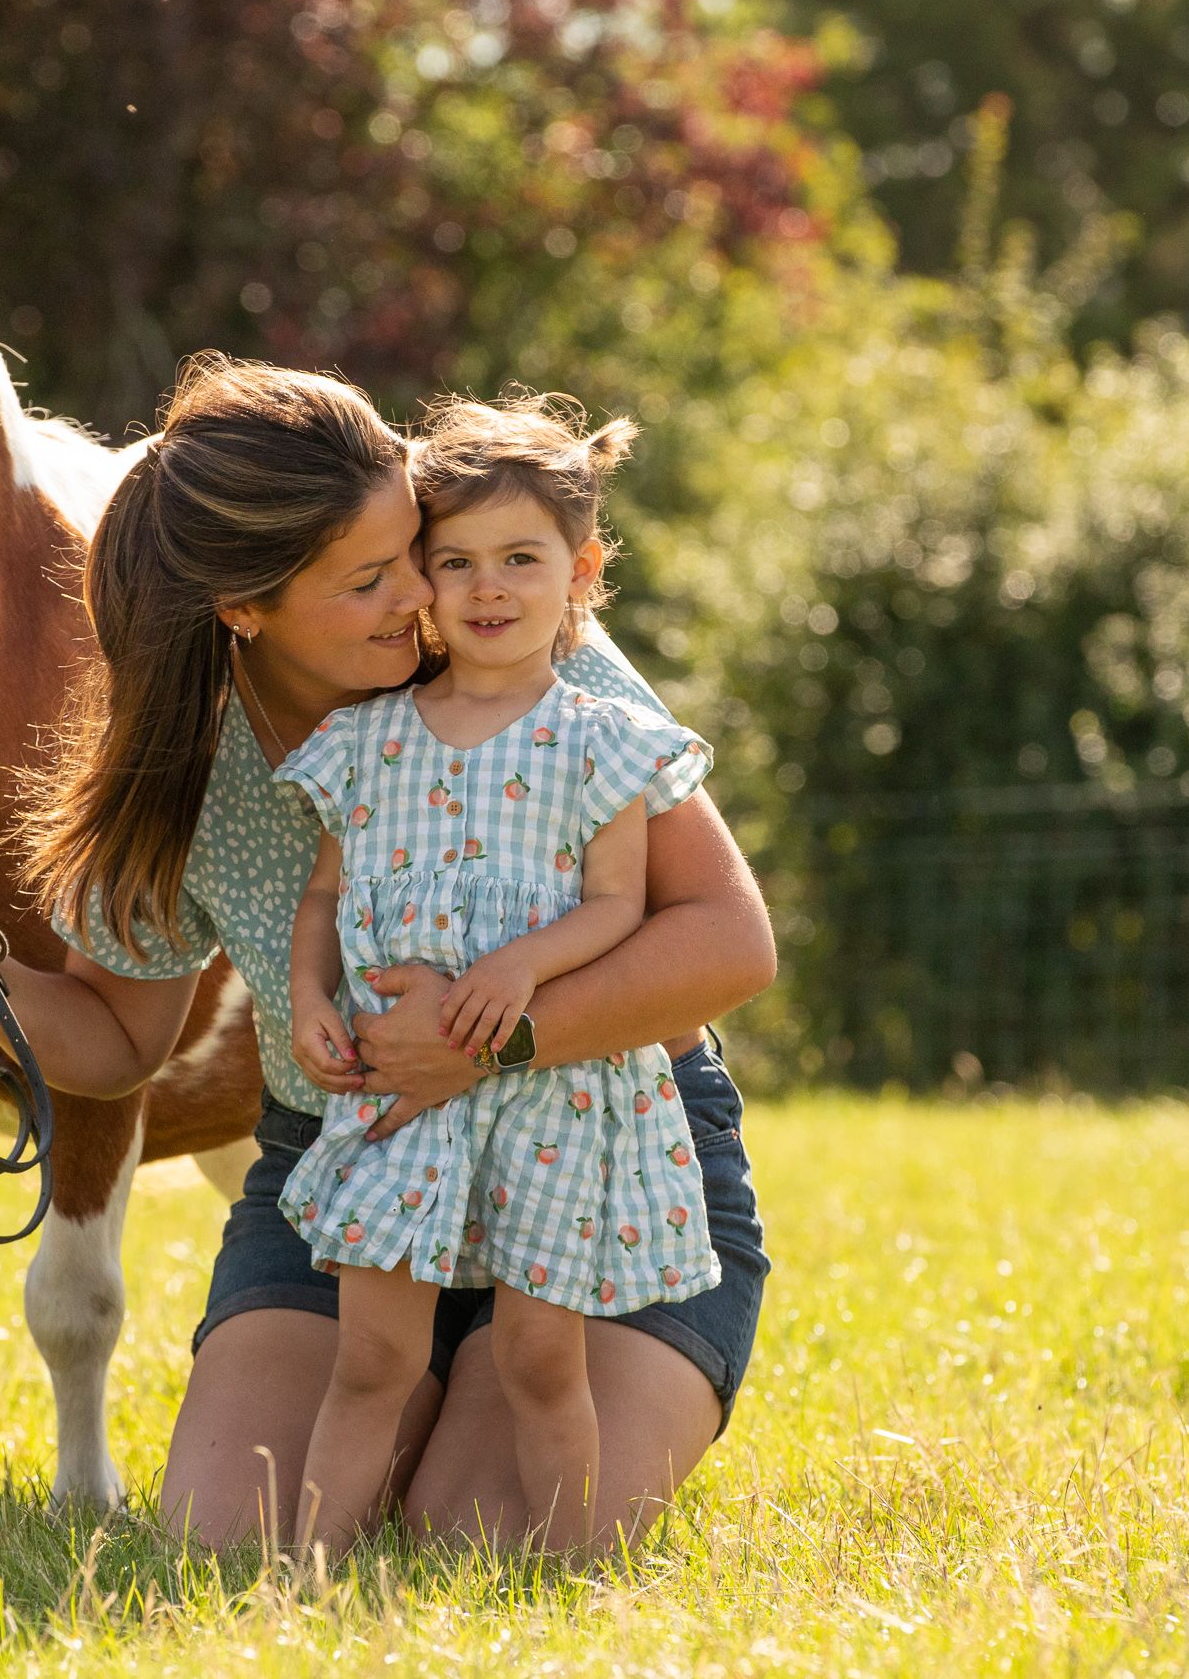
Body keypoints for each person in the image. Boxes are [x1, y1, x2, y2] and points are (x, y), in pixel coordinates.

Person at [0, 354, 773, 1550]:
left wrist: (488, 1043)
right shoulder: (188, 762)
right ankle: (418, 1392)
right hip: (349, 1177)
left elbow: (728, 941)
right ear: (244, 612)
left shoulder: (524, 651)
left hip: (596, 1151)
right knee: (225, 1537)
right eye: (370, 578)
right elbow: (111, 1038)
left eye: (414, 543)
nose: (426, 591)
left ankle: (495, 1402)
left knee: (481, 1539)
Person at [274, 393, 720, 1556]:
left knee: (537, 1358)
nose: (486, 588)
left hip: (549, 1104)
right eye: (454, 561)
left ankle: (576, 1573)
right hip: (397, 1096)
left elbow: (620, 903)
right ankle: (301, 1585)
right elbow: (322, 896)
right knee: (371, 1356)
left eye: (520, 559)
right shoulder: (366, 739)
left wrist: (523, 963)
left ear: (582, 570)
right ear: (419, 577)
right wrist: (309, 998)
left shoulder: (598, 740)